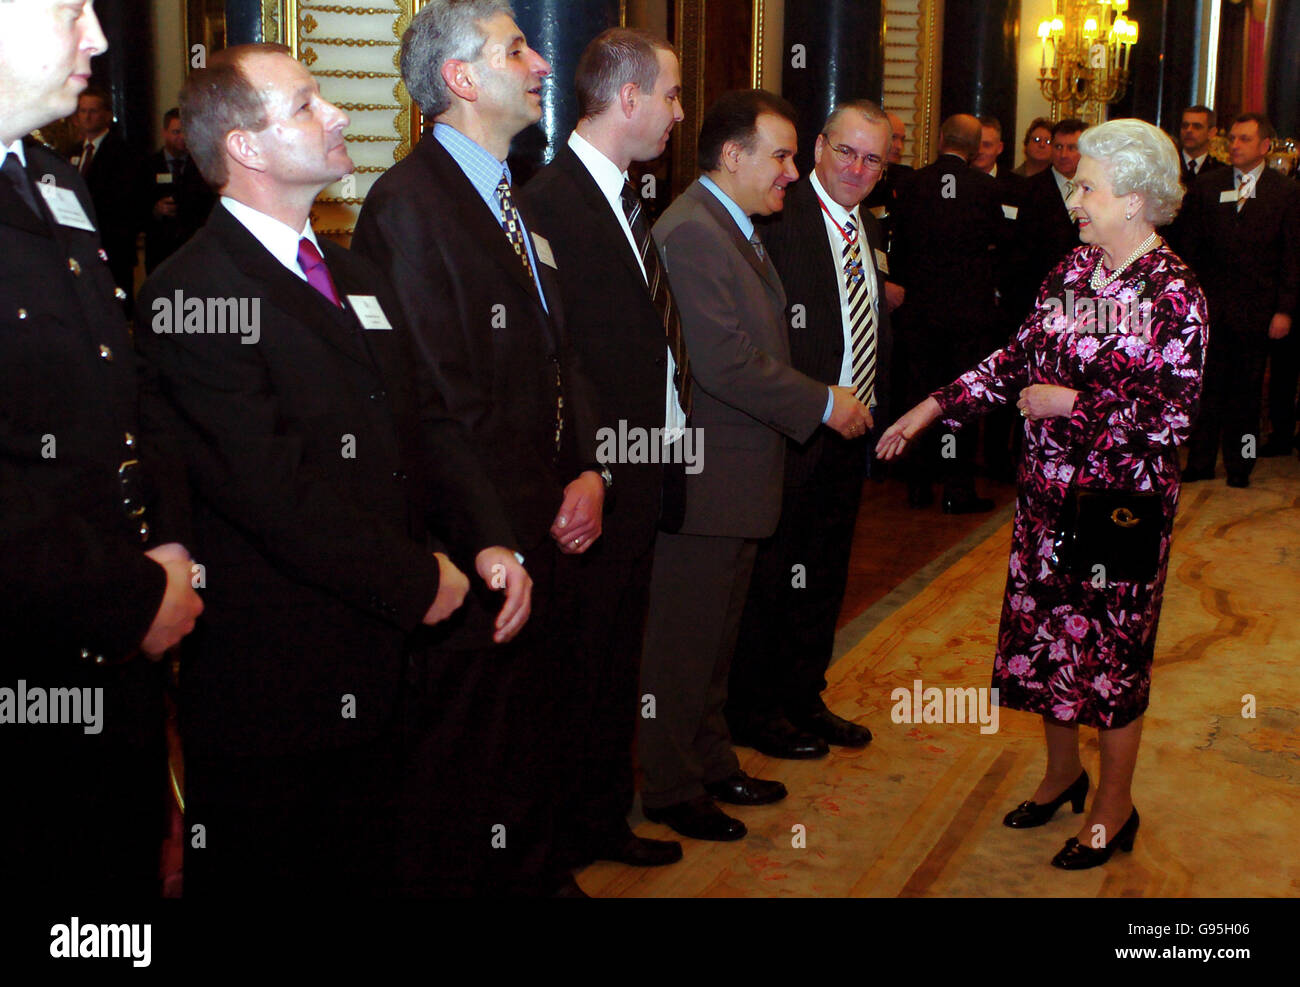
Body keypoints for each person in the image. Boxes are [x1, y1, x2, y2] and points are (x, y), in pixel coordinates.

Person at [136, 42, 529, 897]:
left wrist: (491, 538)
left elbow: (427, 420)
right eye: (308, 104)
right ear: (244, 147)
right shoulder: (191, 291)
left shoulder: (354, 273)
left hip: (381, 670)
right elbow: (272, 490)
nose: (339, 113)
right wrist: (416, 576)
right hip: (276, 687)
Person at [878, 118, 1207, 869]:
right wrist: (932, 407)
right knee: (1051, 645)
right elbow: (1017, 357)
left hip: (1120, 502)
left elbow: (1173, 416)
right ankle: (1062, 773)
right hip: (1047, 496)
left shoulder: (1174, 291)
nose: (1077, 200)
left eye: (1088, 187)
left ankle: (1113, 806)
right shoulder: (1073, 269)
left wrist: (1071, 406)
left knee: (1110, 659)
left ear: (1134, 197)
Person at [352, 0, 603, 896]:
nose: (542, 64)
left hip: (546, 512)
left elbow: (555, 352)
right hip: (476, 532)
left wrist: (588, 468)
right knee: (465, 752)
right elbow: (434, 401)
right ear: (461, 80)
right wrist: (494, 536)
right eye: (517, 49)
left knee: (532, 725)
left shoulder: (512, 200)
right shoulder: (409, 206)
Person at [0, 0, 203, 896]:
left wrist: (164, 555)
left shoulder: (50, 178)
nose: (99, 38)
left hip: (110, 649)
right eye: (69, 9)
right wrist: (130, 594)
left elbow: (114, 386)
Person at [637, 89, 871, 843]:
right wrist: (823, 402)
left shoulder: (730, 226)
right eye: (781, 155)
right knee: (683, 643)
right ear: (732, 156)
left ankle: (710, 761)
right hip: (708, 478)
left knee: (715, 642)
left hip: (741, 477)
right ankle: (672, 784)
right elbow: (724, 361)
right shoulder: (693, 232)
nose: (793, 173)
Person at [519, 27, 686, 870]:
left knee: (617, 660)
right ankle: (555, 844)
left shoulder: (627, 193)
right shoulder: (550, 203)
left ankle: (600, 820)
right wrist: (597, 465)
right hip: (594, 478)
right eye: (669, 95)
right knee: (576, 669)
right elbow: (561, 356)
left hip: (640, 469)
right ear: (628, 99)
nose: (677, 113)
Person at [726, 99, 891, 758]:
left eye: (873, 158)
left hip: (851, 432)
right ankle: (755, 709)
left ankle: (803, 695)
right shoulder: (777, 216)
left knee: (822, 572)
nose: (857, 167)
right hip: (790, 430)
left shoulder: (869, 227)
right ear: (818, 147)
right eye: (847, 151)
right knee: (773, 576)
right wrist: (811, 404)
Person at [891, 114, 1003, 513]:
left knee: (919, 397)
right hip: (969, 316)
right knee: (962, 402)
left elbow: (898, 247)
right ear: (975, 149)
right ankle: (957, 488)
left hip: (919, 313)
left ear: (939, 139)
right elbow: (998, 246)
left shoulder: (912, 185)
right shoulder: (986, 189)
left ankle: (918, 484)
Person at [1182, 113, 1300, 481]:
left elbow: (1292, 256)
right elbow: (1190, 247)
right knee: (1207, 392)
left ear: (1264, 146)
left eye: (1244, 139)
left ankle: (1241, 463)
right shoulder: (1206, 186)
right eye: (1232, 138)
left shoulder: (1286, 192)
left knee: (1246, 398)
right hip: (1211, 310)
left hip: (1258, 311)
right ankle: (1199, 463)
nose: (1234, 145)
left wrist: (1284, 310)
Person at [70, 84, 143, 310]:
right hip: (79, 245)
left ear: (106, 115)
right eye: (83, 111)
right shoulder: (72, 151)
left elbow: (124, 201)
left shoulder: (122, 152)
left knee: (115, 307)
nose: (88, 116)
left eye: (93, 111)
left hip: (113, 244)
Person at [142, 106, 214, 272]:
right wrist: (155, 209)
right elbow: (136, 205)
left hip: (193, 250)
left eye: (186, 132)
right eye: (176, 132)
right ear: (165, 133)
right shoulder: (147, 165)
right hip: (160, 250)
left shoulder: (201, 166)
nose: (182, 137)